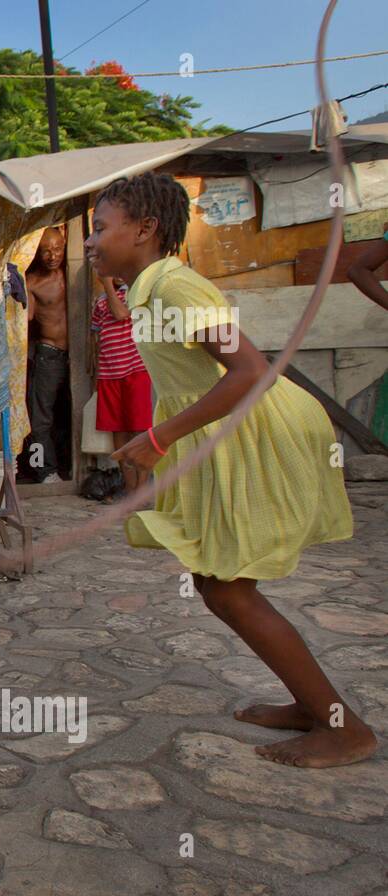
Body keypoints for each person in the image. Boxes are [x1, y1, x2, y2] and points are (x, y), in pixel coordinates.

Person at [87, 171, 375, 768]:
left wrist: (159, 438)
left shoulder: (174, 288)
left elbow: (249, 371)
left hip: (257, 430)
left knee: (228, 588)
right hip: (224, 434)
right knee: (217, 585)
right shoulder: (148, 288)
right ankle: (312, 706)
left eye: (99, 228)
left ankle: (343, 727)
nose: (90, 241)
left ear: (144, 230)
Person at [90, 272, 152, 502]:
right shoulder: (100, 301)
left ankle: (141, 490)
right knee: (118, 431)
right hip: (109, 374)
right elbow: (97, 335)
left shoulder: (135, 294)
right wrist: (97, 375)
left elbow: (120, 313)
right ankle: (129, 487)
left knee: (139, 429)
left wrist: (106, 283)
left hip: (135, 372)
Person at [24, 227, 70, 483]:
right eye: (45, 251)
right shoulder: (33, 282)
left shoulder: (75, 272)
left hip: (78, 356)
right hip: (48, 354)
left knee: (68, 414)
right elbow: (27, 317)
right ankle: (45, 470)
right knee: (40, 417)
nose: (52, 256)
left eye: (57, 249)